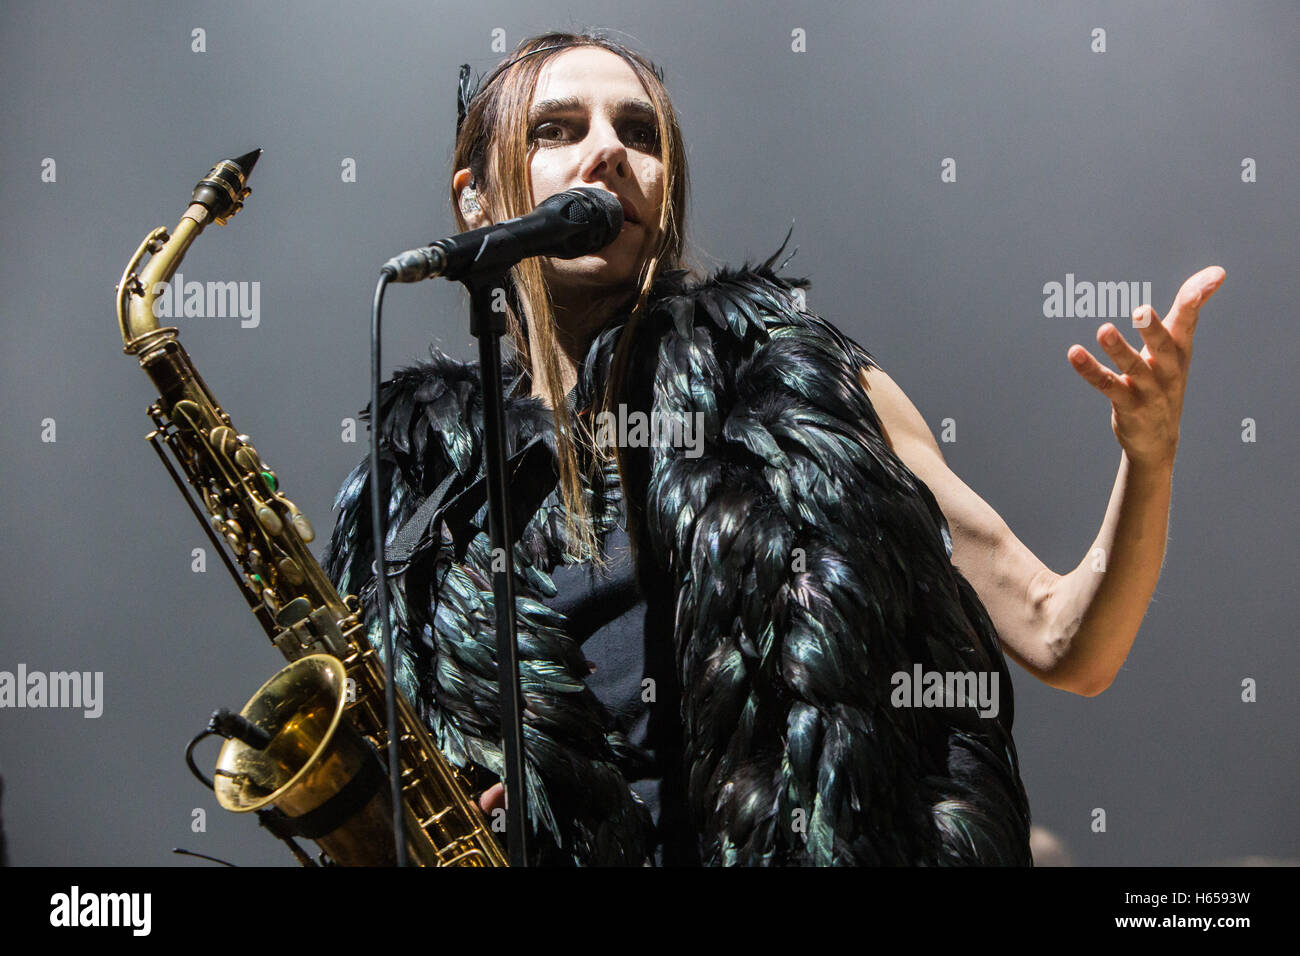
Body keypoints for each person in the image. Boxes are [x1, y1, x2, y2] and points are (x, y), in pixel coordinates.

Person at [324, 30, 1224, 866]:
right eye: (555, 129)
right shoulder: (421, 493)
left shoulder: (796, 381)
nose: (608, 153)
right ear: (474, 197)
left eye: (640, 133)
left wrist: (1149, 457)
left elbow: (1067, 640)